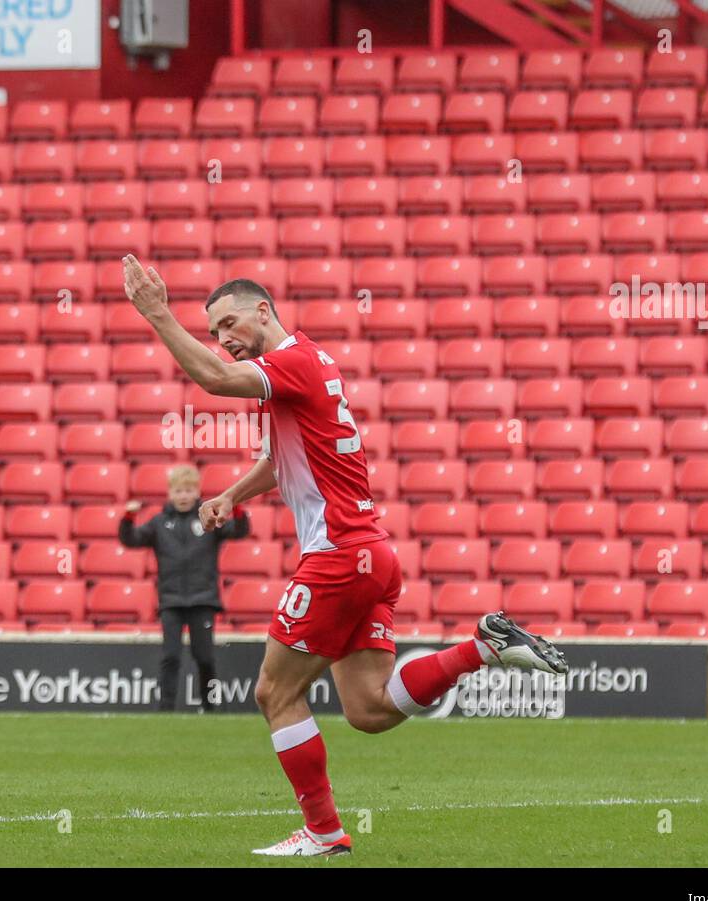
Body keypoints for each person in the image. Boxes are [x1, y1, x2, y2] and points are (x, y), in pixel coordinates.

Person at [121, 256, 569, 857]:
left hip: (338, 554)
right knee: (370, 709)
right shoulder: (309, 364)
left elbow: (213, 382)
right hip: (371, 553)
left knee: (273, 694)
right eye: (213, 333)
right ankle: (484, 646)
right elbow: (284, 461)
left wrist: (155, 313)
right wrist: (230, 495)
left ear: (264, 310)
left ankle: (323, 832)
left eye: (229, 323)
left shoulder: (292, 364)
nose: (223, 340)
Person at [118, 464, 250, 712]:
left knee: (205, 658)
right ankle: (166, 709)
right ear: (170, 493)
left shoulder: (207, 518)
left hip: (203, 600)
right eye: (178, 491)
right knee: (170, 657)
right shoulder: (159, 523)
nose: (183, 496)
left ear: (197, 492)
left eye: (188, 491)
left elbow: (239, 531)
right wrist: (127, 519)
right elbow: (131, 539)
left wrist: (238, 508)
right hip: (171, 601)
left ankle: (210, 707)